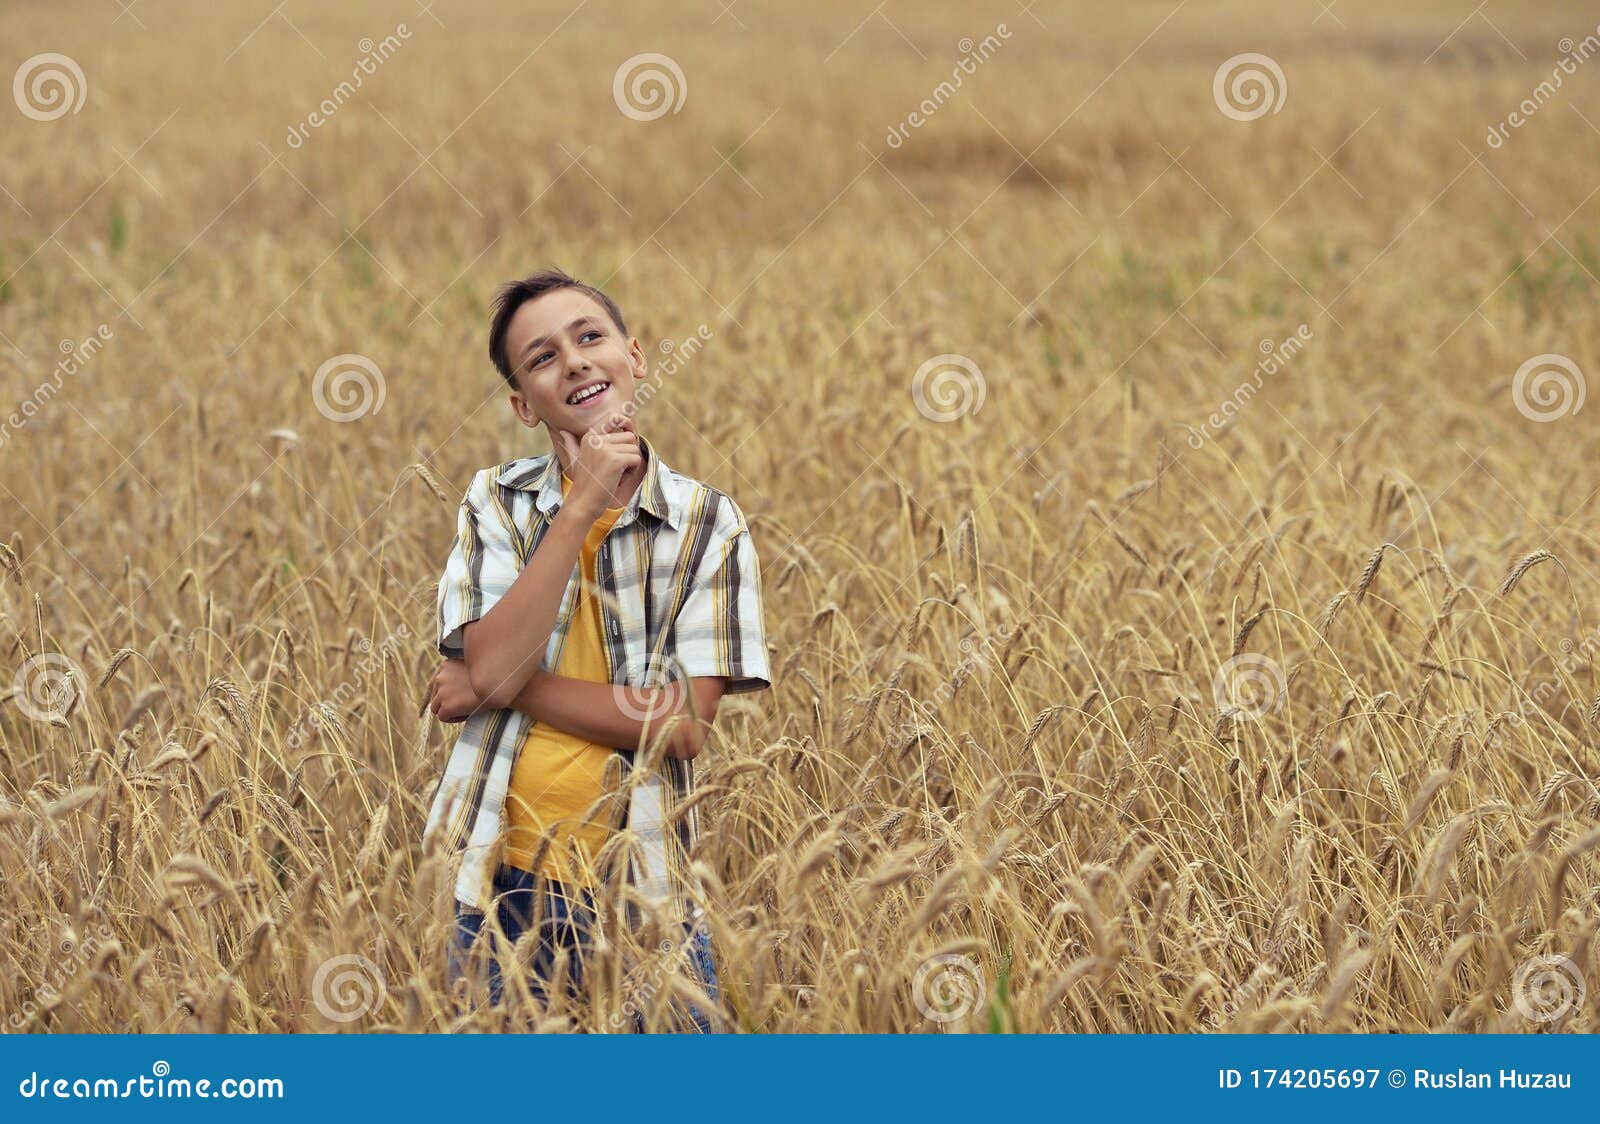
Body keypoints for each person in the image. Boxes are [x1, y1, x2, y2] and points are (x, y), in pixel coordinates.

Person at [422, 268, 771, 1031]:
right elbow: (498, 663)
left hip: (642, 887)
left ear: (635, 355)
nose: (574, 361)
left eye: (590, 338)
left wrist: (501, 683)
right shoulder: (498, 503)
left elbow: (681, 726)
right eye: (542, 358)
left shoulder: (709, 525)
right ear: (523, 405)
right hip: (498, 883)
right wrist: (579, 503)